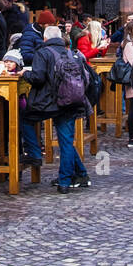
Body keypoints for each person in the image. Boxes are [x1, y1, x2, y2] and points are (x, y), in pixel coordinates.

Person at [21, 25, 90, 192]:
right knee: (66, 141)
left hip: (49, 103)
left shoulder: (42, 52)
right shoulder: (71, 53)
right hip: (71, 101)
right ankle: (73, 177)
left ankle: (35, 153)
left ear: (45, 38)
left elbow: (38, 78)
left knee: (25, 120)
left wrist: (24, 74)